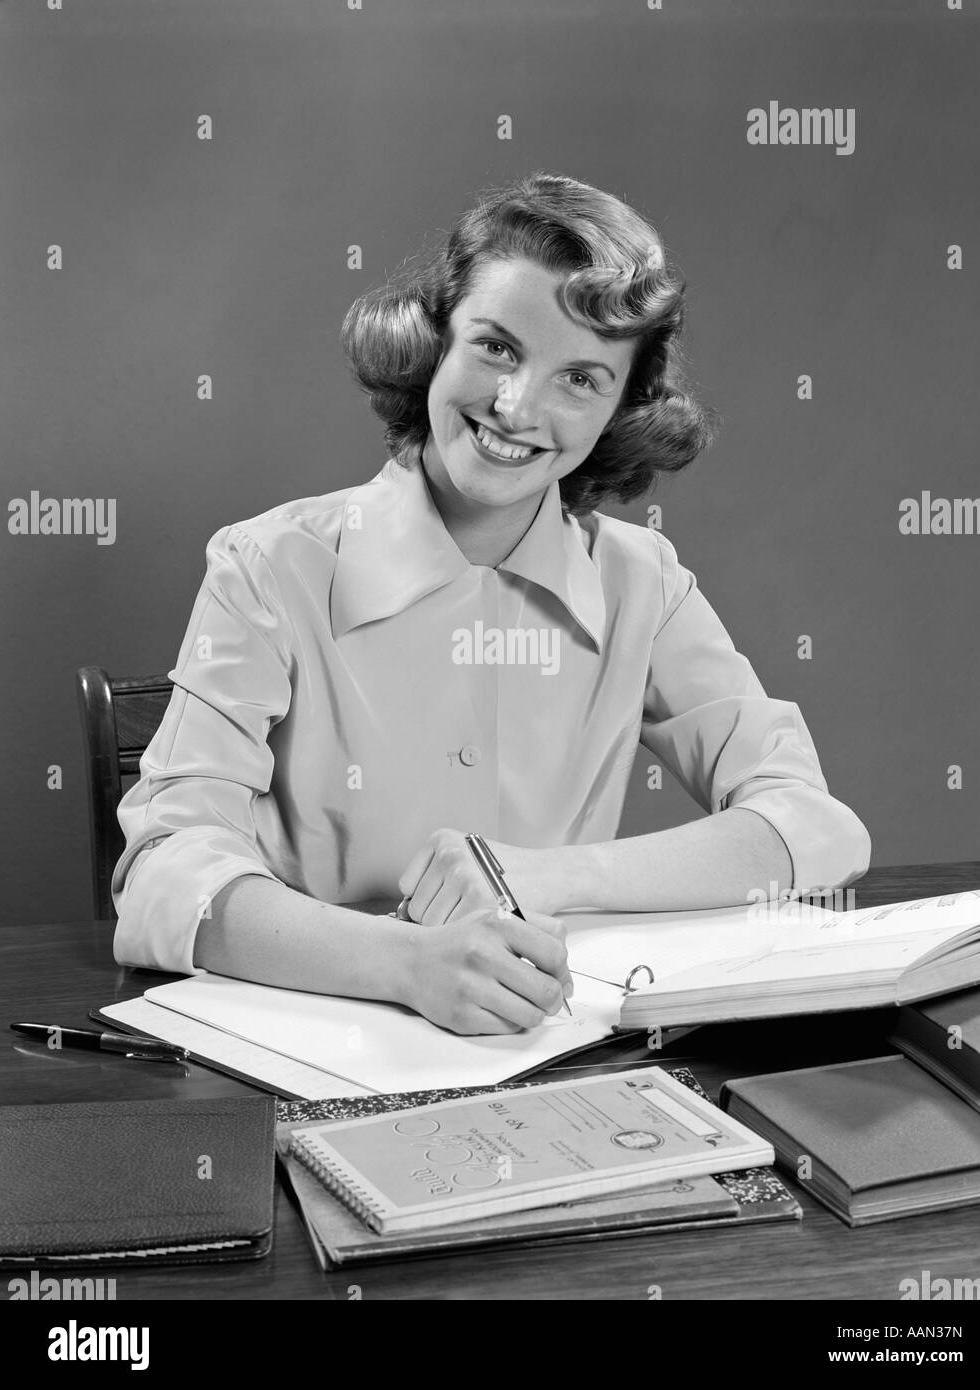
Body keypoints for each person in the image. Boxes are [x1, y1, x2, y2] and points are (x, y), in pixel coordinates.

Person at [111, 171, 871, 1036]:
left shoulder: (643, 582)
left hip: (551, 1049)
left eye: (580, 378)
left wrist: (543, 877)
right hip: (315, 1046)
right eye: (497, 348)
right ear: (434, 340)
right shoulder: (269, 564)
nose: (517, 407)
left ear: (621, 407)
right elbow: (164, 877)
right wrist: (405, 964)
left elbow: (817, 832)